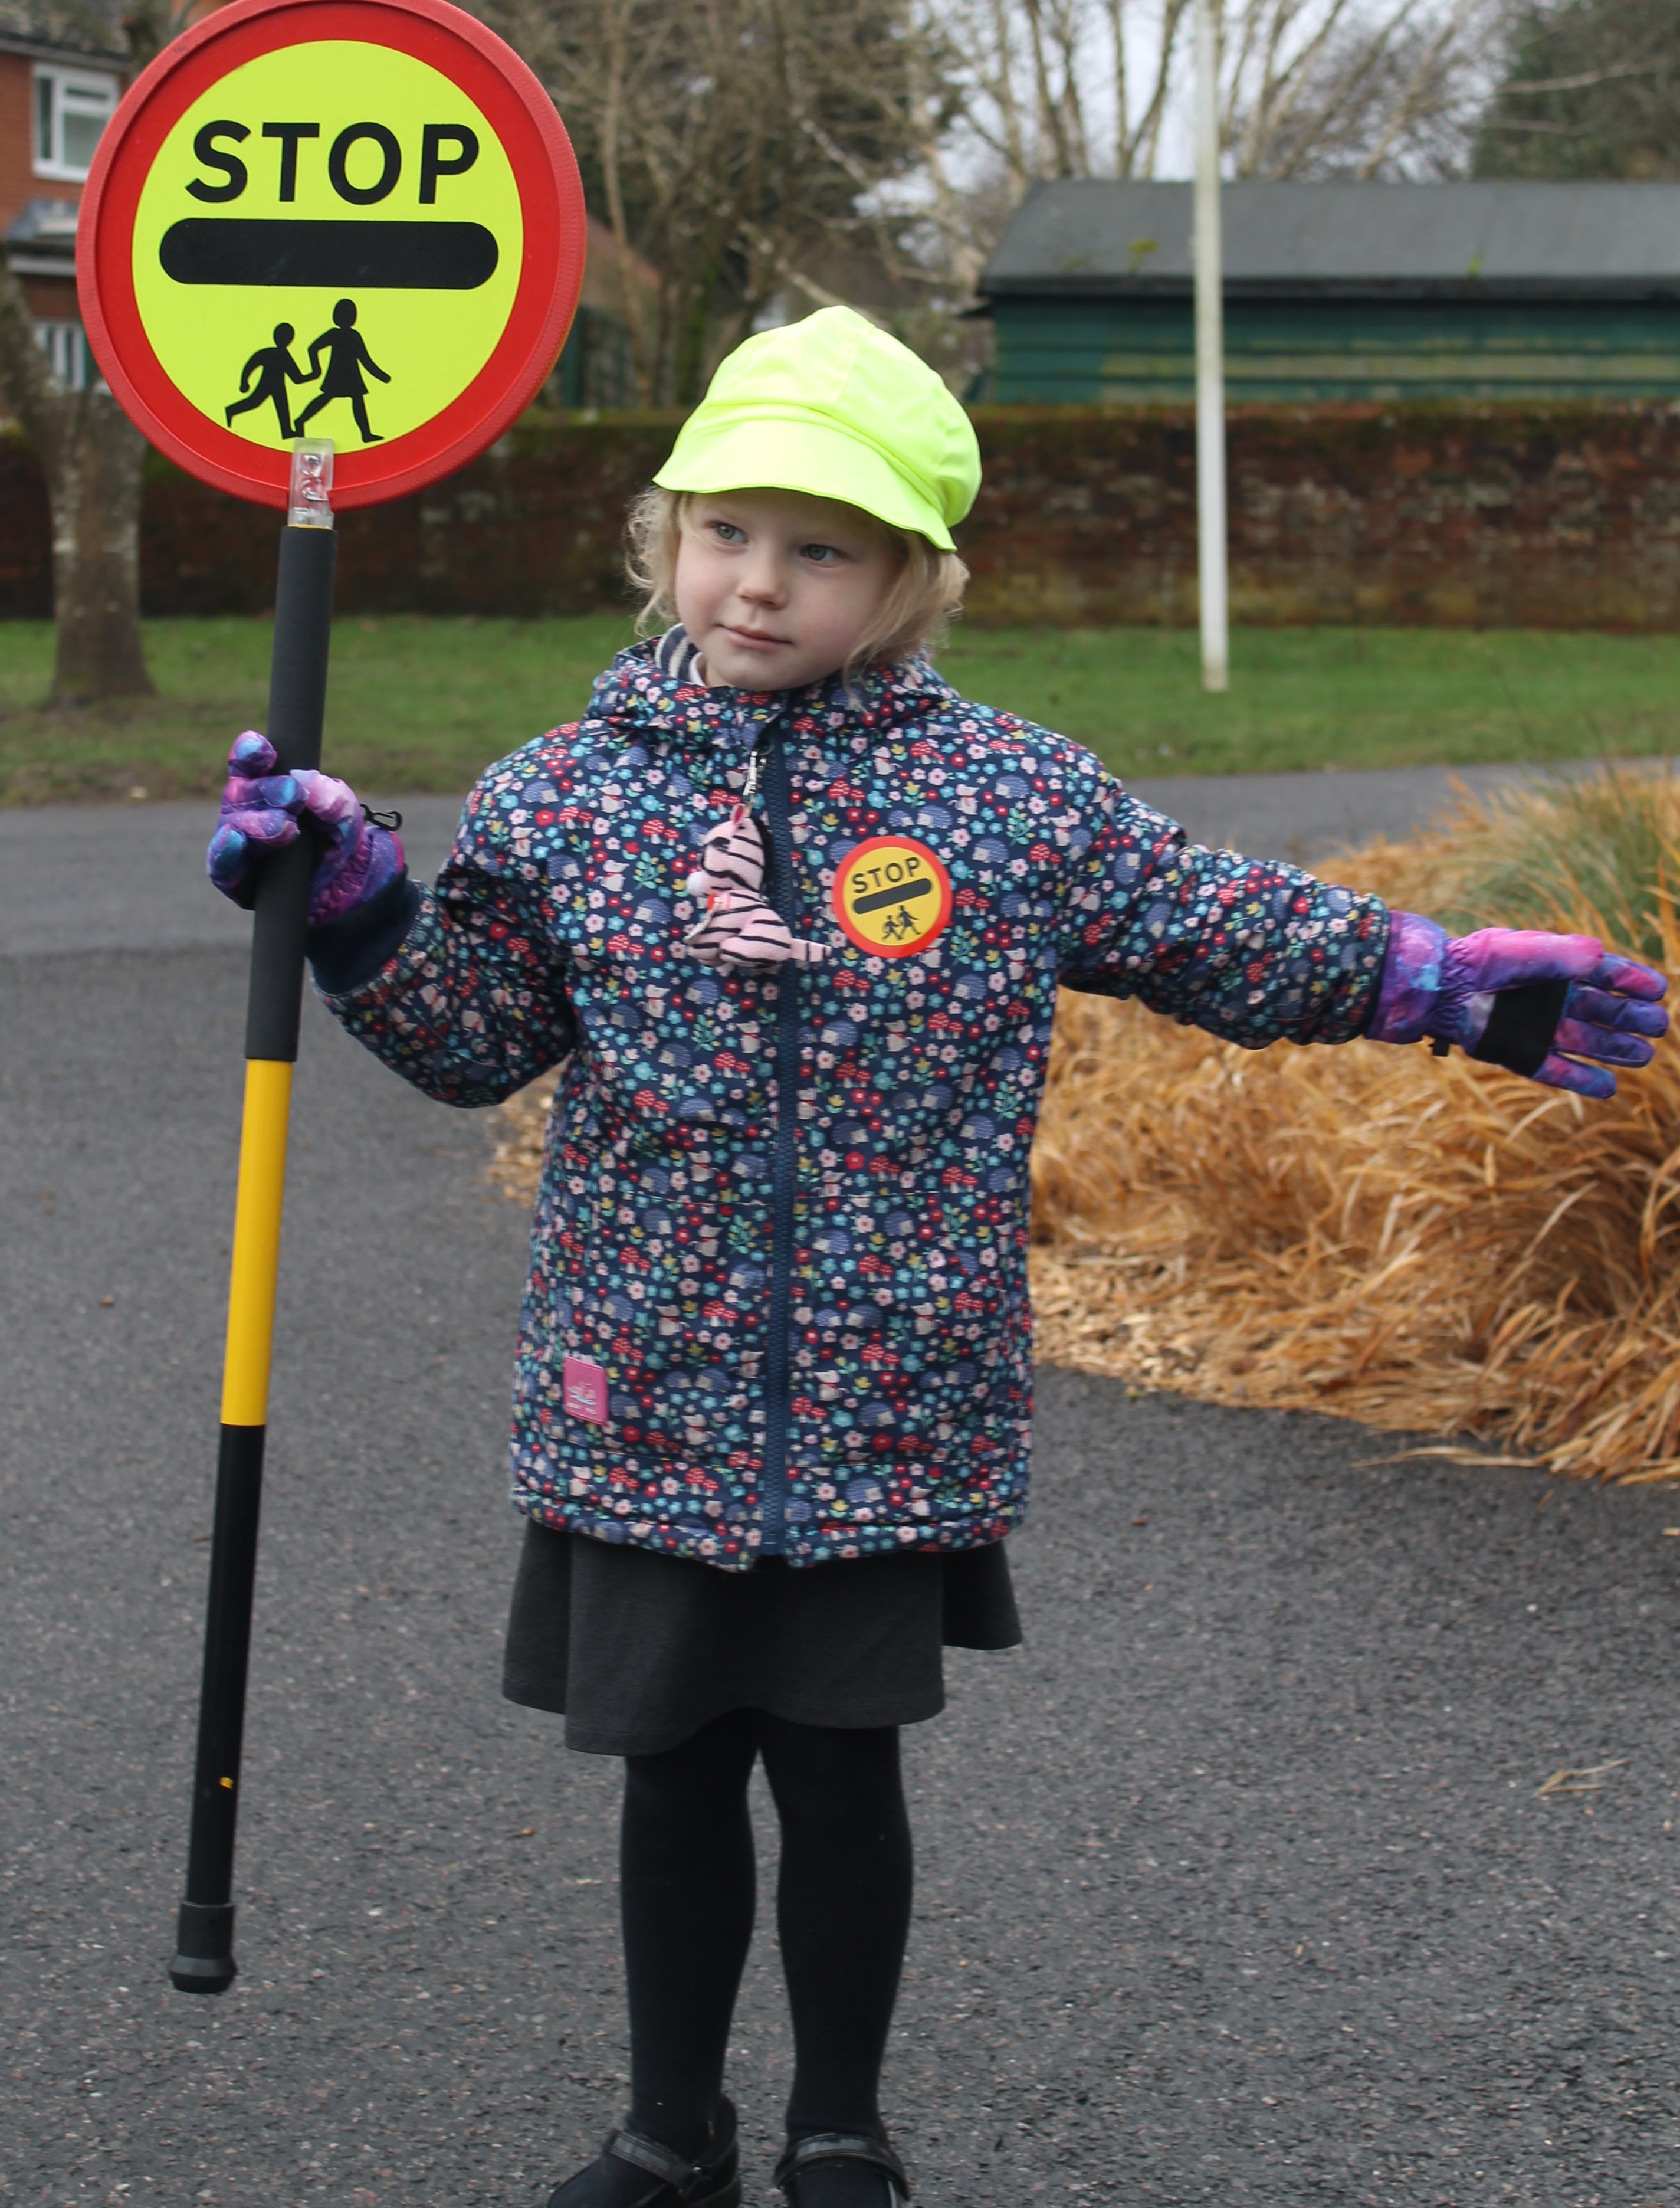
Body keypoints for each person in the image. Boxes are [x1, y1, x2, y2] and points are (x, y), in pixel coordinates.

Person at [205, 307, 1668, 2208]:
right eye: (729, 530)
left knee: (834, 1770)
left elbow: (1209, 923)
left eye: (823, 549)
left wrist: (1435, 981)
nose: (760, 581)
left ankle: (834, 2118)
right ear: (665, 535)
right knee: (669, 1767)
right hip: (646, 1381)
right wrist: (360, 909)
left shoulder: (1005, 795)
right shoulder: (566, 790)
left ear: (908, 583)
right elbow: (471, 1031)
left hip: (881, 1392)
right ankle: (670, 2123)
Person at [293, 297, 389, 444]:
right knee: (331, 397)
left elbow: (364, 358)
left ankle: (366, 434)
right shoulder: (337, 334)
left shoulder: (352, 335)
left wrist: (381, 375)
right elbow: (313, 348)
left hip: (350, 373)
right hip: (339, 373)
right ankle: (300, 420)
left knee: (355, 399)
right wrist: (316, 369)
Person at [224, 321, 309, 440]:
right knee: (255, 402)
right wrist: (244, 381)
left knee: (282, 406)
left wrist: (313, 376)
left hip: (278, 386)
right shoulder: (275, 353)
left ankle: (286, 431)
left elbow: (296, 378)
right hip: (268, 384)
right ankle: (231, 411)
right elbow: (252, 364)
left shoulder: (278, 354)